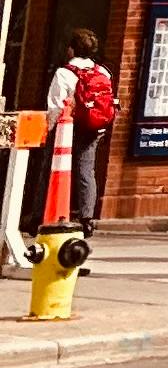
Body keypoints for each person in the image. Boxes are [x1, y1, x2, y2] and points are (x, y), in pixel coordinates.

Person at [42, 30, 113, 228]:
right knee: (86, 170)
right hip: (93, 128)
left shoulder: (64, 73)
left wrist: (49, 128)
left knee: (52, 168)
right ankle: (86, 218)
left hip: (67, 128)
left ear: (71, 49)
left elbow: (55, 105)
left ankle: (43, 212)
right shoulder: (103, 72)